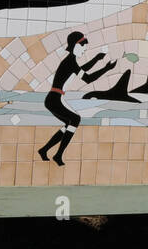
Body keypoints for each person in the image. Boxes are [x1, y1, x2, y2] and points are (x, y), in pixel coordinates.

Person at [37, 32, 116, 165]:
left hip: (54, 98)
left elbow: (81, 70)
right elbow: (88, 78)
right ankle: (58, 155)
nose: (85, 50)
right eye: (83, 46)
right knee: (75, 119)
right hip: (55, 99)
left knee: (70, 123)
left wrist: (97, 59)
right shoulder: (70, 62)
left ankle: (44, 150)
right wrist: (106, 68)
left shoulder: (70, 61)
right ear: (75, 45)